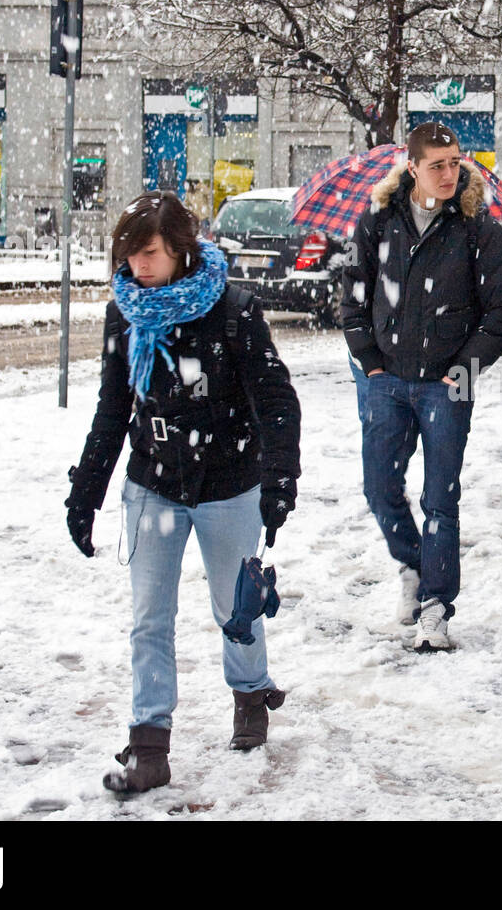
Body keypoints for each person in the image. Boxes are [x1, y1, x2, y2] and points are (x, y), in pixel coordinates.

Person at [65, 191, 301, 793]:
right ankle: (150, 747)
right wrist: (86, 492)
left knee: (234, 608)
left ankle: (250, 695)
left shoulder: (232, 312)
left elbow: (277, 402)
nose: (137, 267)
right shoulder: (126, 312)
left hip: (228, 483)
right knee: (149, 619)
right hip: (153, 483)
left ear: (180, 250)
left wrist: (278, 481)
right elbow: (113, 407)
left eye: (149, 254)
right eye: (128, 255)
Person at [341, 121, 502, 652]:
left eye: (455, 163)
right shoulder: (377, 221)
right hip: (387, 379)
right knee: (379, 486)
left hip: (448, 384)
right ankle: (413, 568)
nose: (449, 174)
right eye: (437, 164)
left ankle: (437, 608)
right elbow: (353, 297)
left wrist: (462, 369)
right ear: (413, 166)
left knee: (441, 499)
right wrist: (370, 362)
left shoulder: (477, 229)